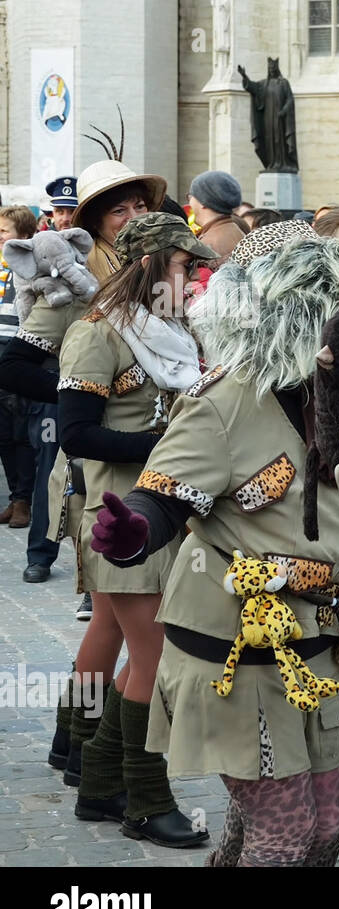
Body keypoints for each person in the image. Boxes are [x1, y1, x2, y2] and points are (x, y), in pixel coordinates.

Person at [85, 222, 339, 865]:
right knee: (285, 832)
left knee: (329, 822)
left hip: (325, 640)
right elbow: (162, 497)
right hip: (235, 646)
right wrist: (133, 531)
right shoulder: (223, 400)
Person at [58, 213, 215, 848]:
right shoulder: (96, 334)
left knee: (147, 659)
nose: (194, 278)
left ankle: (97, 778)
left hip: (165, 512)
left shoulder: (175, 332)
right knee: (158, 662)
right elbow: (76, 434)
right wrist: (158, 444)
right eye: (185, 267)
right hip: (118, 516)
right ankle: (146, 801)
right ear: (150, 267)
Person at [0, 225, 101, 768]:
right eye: (122, 208)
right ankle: (101, 760)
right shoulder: (67, 292)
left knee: (119, 624)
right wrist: (75, 394)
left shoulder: (124, 285)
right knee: (48, 483)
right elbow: (13, 364)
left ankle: (80, 747)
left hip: (135, 454)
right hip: (93, 447)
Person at [0, 205, 39, 532]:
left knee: (20, 431)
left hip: (19, 352)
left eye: (4, 232)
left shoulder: (30, 267)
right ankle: (14, 496)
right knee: (2, 434)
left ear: (24, 236)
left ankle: (24, 499)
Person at [71, 161, 166, 283]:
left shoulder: (165, 252)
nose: (134, 218)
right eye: (119, 211)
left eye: (139, 207)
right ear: (94, 221)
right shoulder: (81, 266)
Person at [186, 171, 250, 261]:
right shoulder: (238, 232)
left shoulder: (206, 247)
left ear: (203, 202)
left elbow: (180, 275)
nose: (189, 202)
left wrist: (178, 275)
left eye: (190, 197)